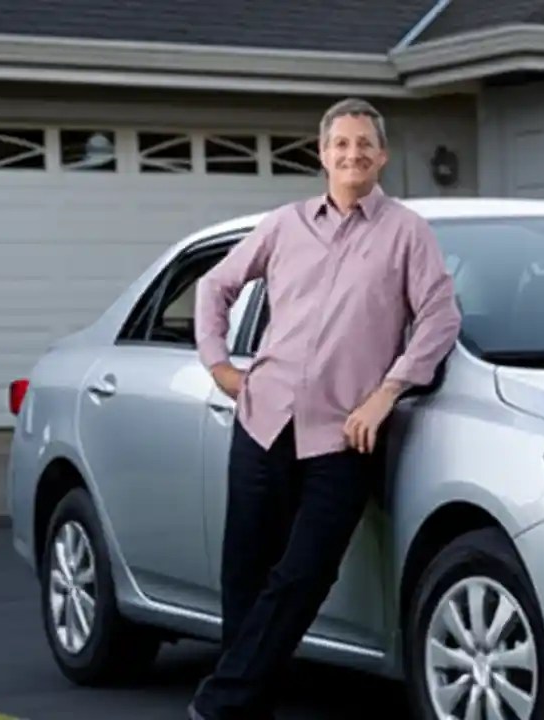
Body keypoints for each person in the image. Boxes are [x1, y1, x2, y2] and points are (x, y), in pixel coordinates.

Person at [188, 97, 461, 719]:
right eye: (341, 143)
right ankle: (241, 710)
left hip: (343, 436)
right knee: (246, 577)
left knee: (305, 576)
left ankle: (219, 704)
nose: (353, 154)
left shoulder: (406, 233)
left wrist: (387, 391)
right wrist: (220, 365)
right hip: (263, 421)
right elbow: (216, 285)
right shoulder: (284, 225)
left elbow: (440, 317)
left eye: (364, 143)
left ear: (382, 155)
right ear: (322, 154)